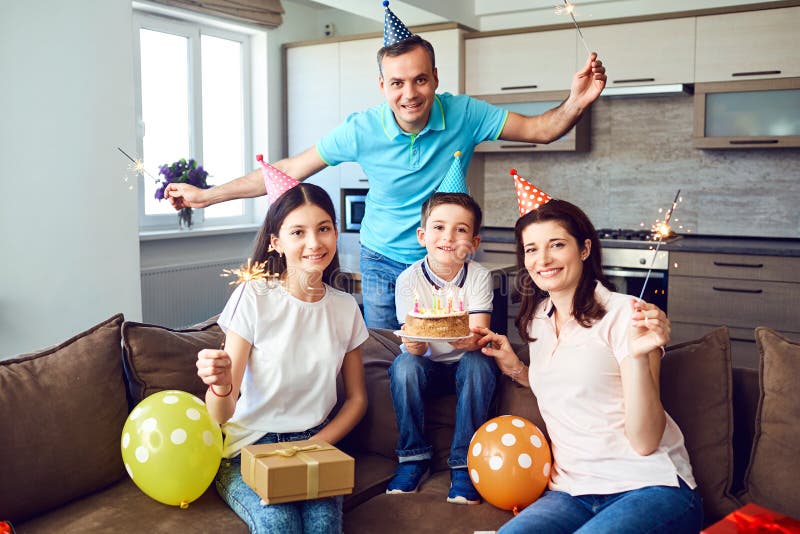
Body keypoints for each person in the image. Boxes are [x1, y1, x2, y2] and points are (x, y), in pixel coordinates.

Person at [164, 4, 608, 330]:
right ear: (382, 86)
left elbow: (540, 129)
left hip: (449, 258)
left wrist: (576, 101)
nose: (409, 93)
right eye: (397, 82)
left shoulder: (466, 114)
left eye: (419, 79)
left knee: (459, 350)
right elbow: (288, 170)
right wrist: (208, 194)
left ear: (435, 77)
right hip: (383, 261)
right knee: (387, 351)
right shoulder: (361, 130)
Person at [474, 197, 703, 533]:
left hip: (648, 485)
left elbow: (645, 441)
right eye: (532, 249)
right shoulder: (538, 319)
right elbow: (572, 387)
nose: (543, 259)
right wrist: (516, 369)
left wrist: (638, 356)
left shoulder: (628, 314)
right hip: (571, 492)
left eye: (557, 245)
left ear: (584, 249)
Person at [195, 178, 369, 534]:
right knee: (279, 525)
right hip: (249, 447)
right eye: (298, 232)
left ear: (336, 233)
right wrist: (222, 386)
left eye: (323, 229)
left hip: (317, 443)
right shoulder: (254, 297)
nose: (314, 243)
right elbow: (220, 415)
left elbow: (356, 400)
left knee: (323, 528)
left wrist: (312, 445)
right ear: (276, 242)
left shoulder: (346, 308)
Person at [387, 191, 497, 505]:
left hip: (466, 365)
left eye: (460, 229)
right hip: (427, 368)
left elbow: (478, 329)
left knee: (479, 361)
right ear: (422, 236)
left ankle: (464, 463)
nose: (448, 237)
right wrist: (413, 344)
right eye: (438, 227)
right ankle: (413, 458)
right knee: (404, 365)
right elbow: (414, 345)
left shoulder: (479, 277)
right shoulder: (408, 280)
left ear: (473, 243)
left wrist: (472, 339)